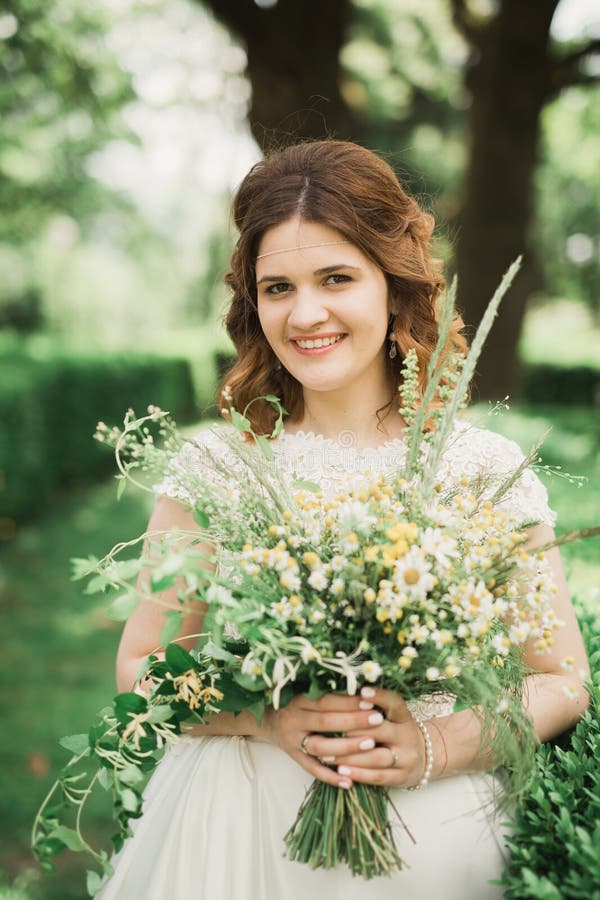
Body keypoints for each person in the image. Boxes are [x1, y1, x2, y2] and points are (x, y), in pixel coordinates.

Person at [98, 141, 589, 899]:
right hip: (236, 829)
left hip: (433, 834)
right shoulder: (218, 470)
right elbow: (141, 671)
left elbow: (559, 678)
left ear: (392, 288)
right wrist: (264, 721)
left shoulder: (482, 472)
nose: (305, 313)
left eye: (336, 278)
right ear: (252, 305)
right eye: (277, 286)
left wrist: (430, 746)